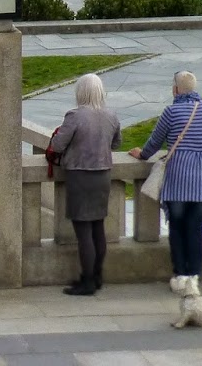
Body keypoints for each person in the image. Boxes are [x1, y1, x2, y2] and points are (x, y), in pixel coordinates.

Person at [129, 70, 202, 288]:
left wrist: (140, 154)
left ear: (175, 89)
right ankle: (194, 276)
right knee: (195, 226)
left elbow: (153, 144)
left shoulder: (171, 112)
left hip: (180, 177)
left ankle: (180, 274)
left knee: (177, 225)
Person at [48, 74, 122, 295]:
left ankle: (87, 281)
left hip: (80, 176)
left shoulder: (75, 116)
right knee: (97, 227)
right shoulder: (111, 115)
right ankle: (97, 276)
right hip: (102, 176)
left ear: (80, 92)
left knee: (83, 232)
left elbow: (58, 144)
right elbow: (116, 143)